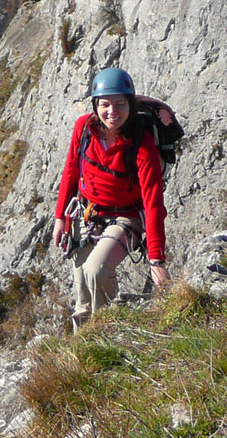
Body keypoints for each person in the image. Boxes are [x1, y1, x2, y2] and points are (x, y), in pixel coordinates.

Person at [51, 67, 173, 330]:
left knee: (96, 269)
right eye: (104, 105)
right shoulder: (84, 128)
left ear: (130, 105)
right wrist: (60, 217)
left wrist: (156, 260)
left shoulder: (141, 144)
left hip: (126, 217)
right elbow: (71, 171)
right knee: (82, 290)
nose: (112, 112)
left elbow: (153, 203)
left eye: (119, 104)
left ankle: (104, 332)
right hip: (87, 213)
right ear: (95, 105)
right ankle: (85, 342)